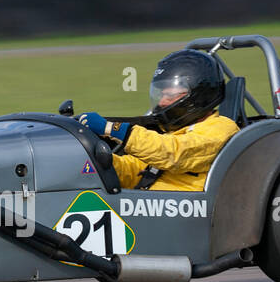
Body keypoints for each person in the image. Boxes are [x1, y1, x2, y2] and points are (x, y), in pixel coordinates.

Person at [77, 49, 238, 192]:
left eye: (170, 95)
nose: (161, 102)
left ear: (197, 96)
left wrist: (114, 129)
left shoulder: (221, 128)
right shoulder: (173, 131)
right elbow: (133, 171)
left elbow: (174, 153)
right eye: (161, 94)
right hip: (146, 207)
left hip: (184, 216)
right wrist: (97, 160)